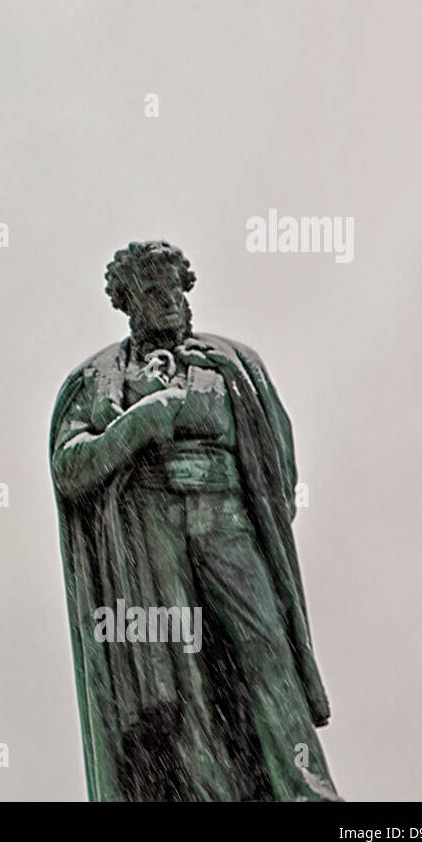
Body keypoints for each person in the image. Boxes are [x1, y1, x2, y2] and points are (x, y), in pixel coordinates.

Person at [49, 240, 339, 801]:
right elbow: (71, 467)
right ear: (127, 302)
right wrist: (142, 422)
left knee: (265, 653)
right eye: (152, 292)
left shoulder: (234, 365)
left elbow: (277, 468)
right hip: (149, 534)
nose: (168, 302)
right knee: (183, 680)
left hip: (227, 523)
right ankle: (206, 793)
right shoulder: (97, 379)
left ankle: (306, 791)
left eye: (175, 290)